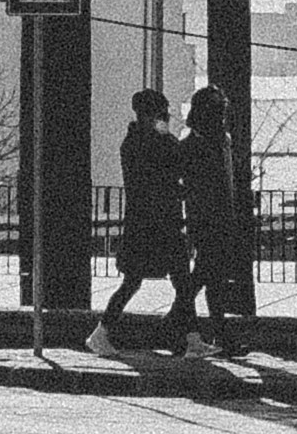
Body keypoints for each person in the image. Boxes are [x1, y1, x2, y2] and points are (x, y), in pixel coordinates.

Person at [102, 89, 190, 344]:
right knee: (147, 280)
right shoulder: (147, 143)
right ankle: (103, 330)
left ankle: (191, 338)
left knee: (164, 280)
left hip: (149, 222)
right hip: (155, 222)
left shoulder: (136, 142)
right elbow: (167, 173)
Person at [181, 85, 254, 351]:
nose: (222, 118)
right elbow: (195, 188)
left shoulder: (220, 141)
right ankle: (177, 326)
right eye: (218, 112)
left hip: (222, 218)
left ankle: (214, 335)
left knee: (211, 279)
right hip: (206, 221)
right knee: (205, 278)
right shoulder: (192, 146)